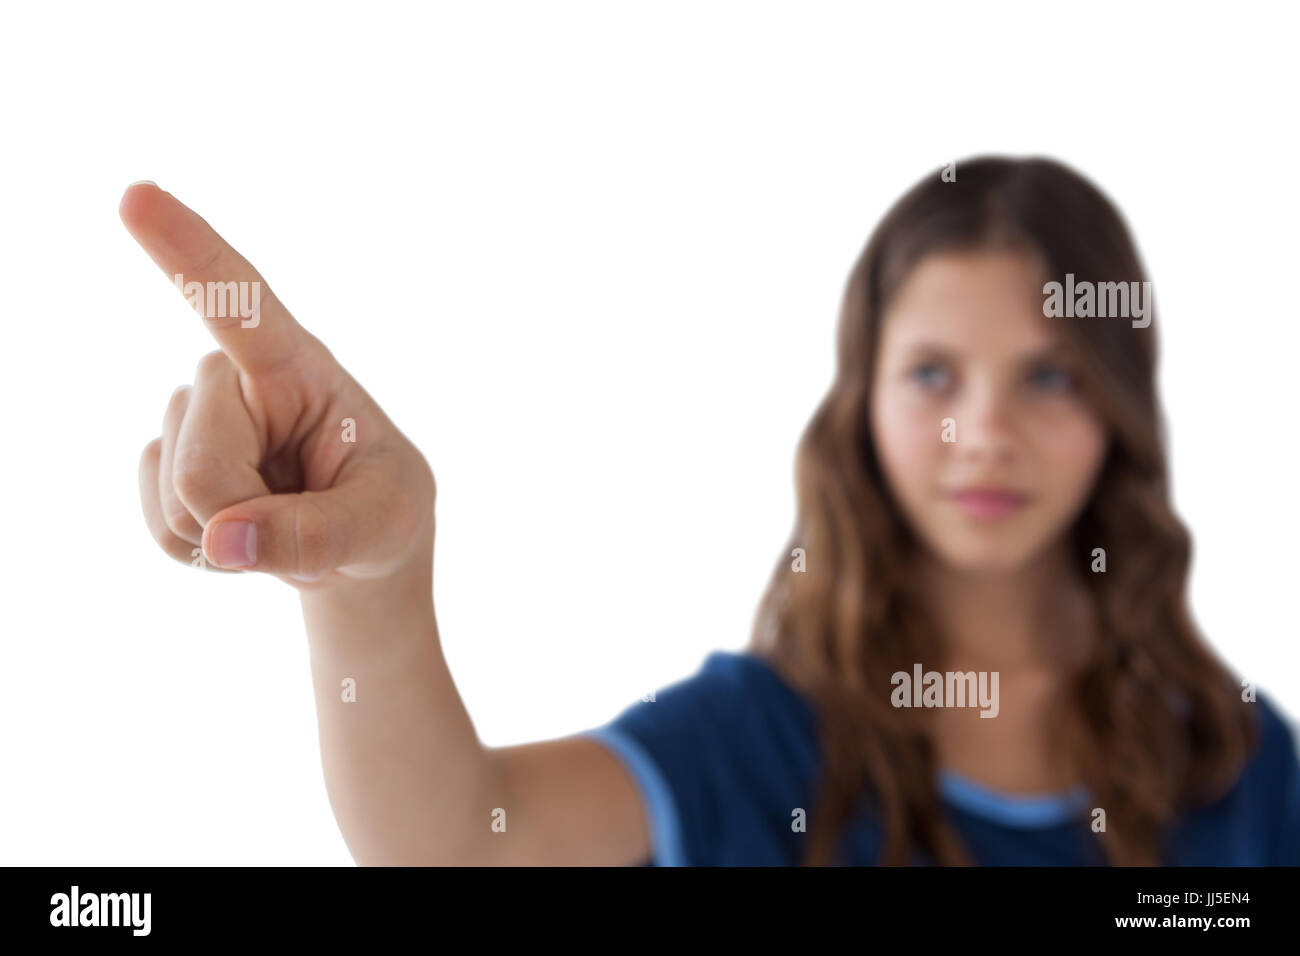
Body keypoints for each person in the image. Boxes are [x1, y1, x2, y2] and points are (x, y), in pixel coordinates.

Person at [125, 157, 1300, 865]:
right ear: (862, 407)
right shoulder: (766, 740)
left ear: (1119, 408)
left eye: (1047, 375)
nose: (981, 430)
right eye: (934, 373)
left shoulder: (1242, 765)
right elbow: (463, 837)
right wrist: (367, 586)